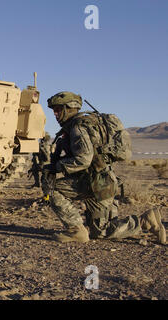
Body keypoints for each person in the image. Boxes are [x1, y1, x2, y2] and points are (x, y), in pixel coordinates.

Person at [42, 91, 166, 244]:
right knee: (100, 230)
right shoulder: (91, 123)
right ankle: (146, 220)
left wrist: (56, 167)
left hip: (95, 184)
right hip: (106, 181)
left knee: (53, 188)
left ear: (69, 108)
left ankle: (77, 231)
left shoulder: (78, 128)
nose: (55, 114)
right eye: (54, 110)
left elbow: (83, 160)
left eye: (58, 110)